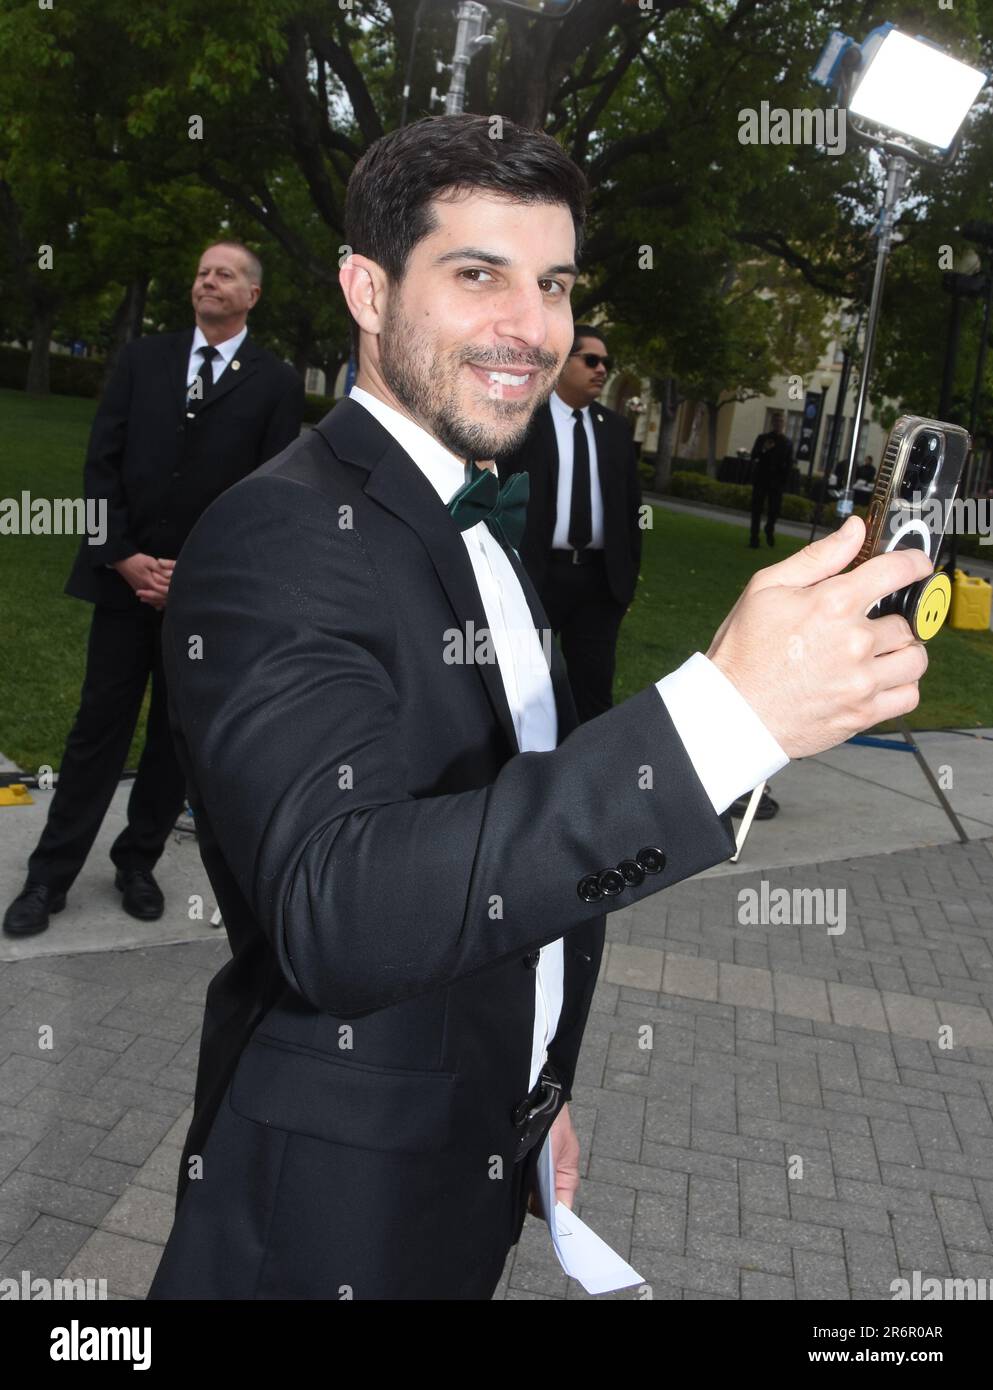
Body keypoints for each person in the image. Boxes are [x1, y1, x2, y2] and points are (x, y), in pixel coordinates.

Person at [147, 114, 930, 1300]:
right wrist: (723, 712)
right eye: (478, 276)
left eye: (554, 284)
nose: (533, 326)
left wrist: (530, 1091)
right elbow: (339, 907)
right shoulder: (281, 531)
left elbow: (501, 846)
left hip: (478, 1147)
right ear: (367, 287)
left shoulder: (475, 520)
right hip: (323, 1215)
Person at [3, 243, 305, 939]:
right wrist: (123, 557)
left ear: (252, 295)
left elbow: (269, 498)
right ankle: (48, 876)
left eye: (224, 273)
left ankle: (137, 861)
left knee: (176, 737)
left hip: (203, 601)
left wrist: (195, 579)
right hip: (124, 584)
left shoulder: (276, 383)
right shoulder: (144, 360)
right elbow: (100, 462)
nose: (207, 281)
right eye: (201, 271)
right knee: (95, 731)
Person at [496, 325, 641, 722]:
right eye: (591, 360)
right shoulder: (523, 417)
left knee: (592, 694)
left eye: (606, 363)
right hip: (538, 577)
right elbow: (497, 496)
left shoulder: (614, 429)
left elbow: (631, 512)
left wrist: (624, 583)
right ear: (562, 363)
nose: (601, 370)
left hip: (598, 585)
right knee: (524, 685)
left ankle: (589, 777)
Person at [749, 409, 794, 548]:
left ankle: (769, 528)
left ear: (784, 424)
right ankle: (754, 538)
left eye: (781, 422)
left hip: (777, 482)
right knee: (756, 509)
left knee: (774, 510)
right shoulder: (763, 438)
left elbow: (789, 463)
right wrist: (764, 449)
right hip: (762, 478)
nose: (778, 424)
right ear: (772, 423)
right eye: (776, 421)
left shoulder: (787, 442)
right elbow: (754, 455)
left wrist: (784, 481)